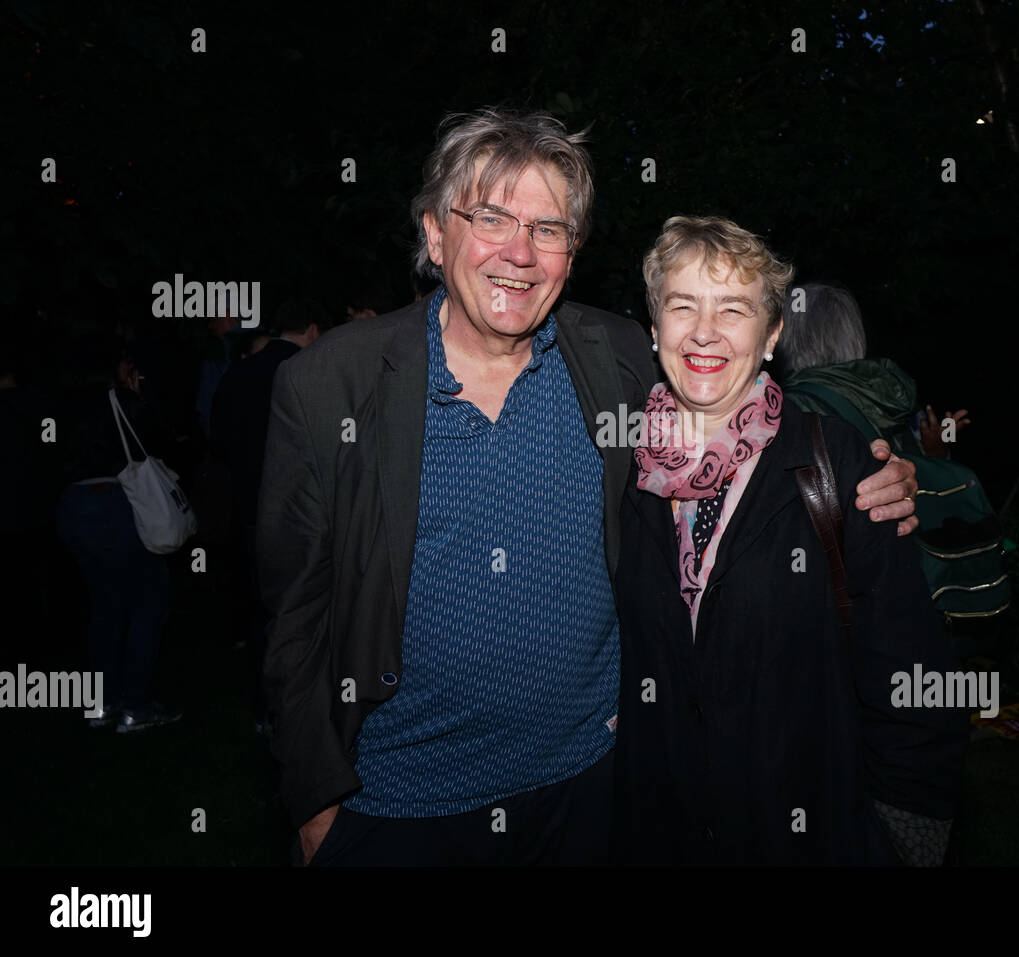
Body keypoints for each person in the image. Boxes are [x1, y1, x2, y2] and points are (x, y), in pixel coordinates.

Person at [257, 109, 920, 867]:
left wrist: (871, 467)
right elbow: (294, 616)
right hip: (397, 806)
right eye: (492, 217)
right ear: (435, 234)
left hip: (593, 796)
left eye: (548, 229)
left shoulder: (617, 360)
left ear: (572, 251)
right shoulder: (328, 387)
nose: (519, 252)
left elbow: (732, 412)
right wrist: (315, 801)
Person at [612, 217, 967, 865]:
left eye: (735, 309)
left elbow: (912, 679)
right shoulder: (617, 467)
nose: (704, 332)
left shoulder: (838, 464)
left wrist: (902, 841)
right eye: (682, 304)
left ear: (773, 333)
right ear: (654, 323)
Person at [54, 336, 181, 732]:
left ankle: (102, 702)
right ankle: (134, 703)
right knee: (147, 601)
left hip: (74, 507)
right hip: (117, 503)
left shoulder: (59, 406)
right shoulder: (121, 403)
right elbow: (162, 442)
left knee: (104, 605)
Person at [210, 299, 324, 728]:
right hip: (301, 514)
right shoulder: (310, 372)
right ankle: (299, 710)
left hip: (248, 508)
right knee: (301, 611)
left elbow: (217, 436)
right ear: (313, 329)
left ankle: (268, 709)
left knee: (266, 608)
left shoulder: (239, 375)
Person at [777, 281, 970, 458]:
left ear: (788, 336)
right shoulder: (889, 390)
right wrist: (937, 450)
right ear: (855, 333)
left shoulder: (781, 406)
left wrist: (936, 450)